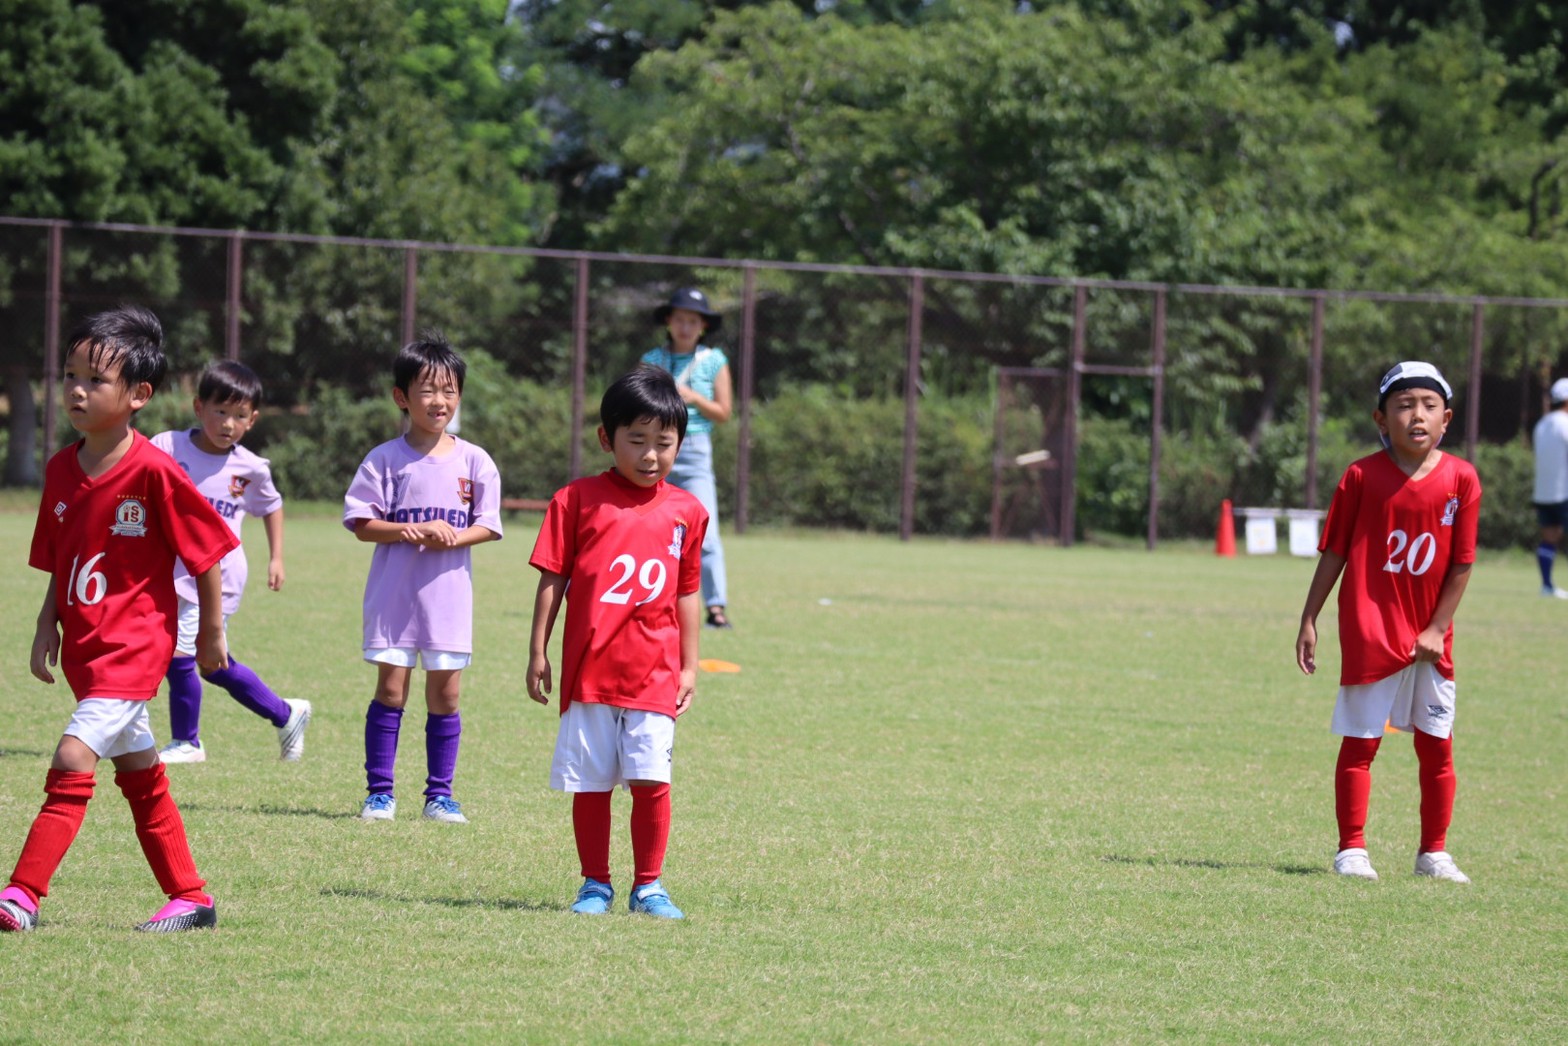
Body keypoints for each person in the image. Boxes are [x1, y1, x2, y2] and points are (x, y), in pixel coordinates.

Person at [2, 306, 237, 933]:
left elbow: (207, 553)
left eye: (95, 380)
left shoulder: (155, 470)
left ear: (138, 395)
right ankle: (190, 897)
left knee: (73, 757)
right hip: (87, 647)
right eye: (70, 375)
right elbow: (62, 559)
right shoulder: (60, 468)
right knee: (141, 775)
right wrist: (46, 623)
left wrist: (212, 632)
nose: (77, 390)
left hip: (134, 648)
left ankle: (21, 895)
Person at [527, 366, 708, 919]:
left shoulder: (688, 511)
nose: (650, 455)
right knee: (592, 783)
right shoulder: (575, 500)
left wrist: (690, 667)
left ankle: (649, 886)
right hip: (590, 673)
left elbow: (687, 592)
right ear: (607, 439)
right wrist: (538, 650)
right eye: (637, 440)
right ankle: (595, 884)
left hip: (655, 673)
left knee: (652, 780)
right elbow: (553, 578)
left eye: (664, 442)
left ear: (680, 444)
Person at [1295, 361, 1481, 884]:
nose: (1416, 415)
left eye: (1428, 406)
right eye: (1403, 406)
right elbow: (1334, 551)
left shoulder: (1462, 479)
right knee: (1361, 743)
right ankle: (1351, 849)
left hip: (1431, 640)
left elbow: (1462, 562)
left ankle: (1434, 853)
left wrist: (1437, 628)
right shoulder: (1360, 476)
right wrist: (1309, 617)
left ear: (1446, 419)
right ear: (1381, 419)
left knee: (1437, 745)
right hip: (1372, 631)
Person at [343, 335, 502, 824]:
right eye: (428, 390)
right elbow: (361, 524)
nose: (440, 401)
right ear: (402, 397)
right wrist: (406, 530)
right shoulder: (384, 459)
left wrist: (453, 537)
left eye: (450, 391)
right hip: (394, 597)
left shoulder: (475, 461)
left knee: (446, 696)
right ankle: (380, 793)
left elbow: (488, 524)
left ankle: (440, 795)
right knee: (391, 691)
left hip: (448, 600)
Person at [151, 360, 312, 763]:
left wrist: (276, 558)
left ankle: (187, 741)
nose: (228, 423)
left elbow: (271, 506)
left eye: (239, 415)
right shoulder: (167, 447)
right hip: (167, 571)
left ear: (252, 420)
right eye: (220, 411)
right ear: (198, 407)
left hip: (218, 577)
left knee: (181, 655)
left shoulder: (250, 468)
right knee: (210, 664)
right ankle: (285, 713)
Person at [641, 287, 734, 629]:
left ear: (703, 326)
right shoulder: (652, 360)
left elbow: (723, 412)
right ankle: (647, 596)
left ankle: (716, 607)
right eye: (680, 319)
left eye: (693, 321)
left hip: (695, 449)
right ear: (669, 321)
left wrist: (694, 398)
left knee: (705, 531)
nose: (685, 327)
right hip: (654, 446)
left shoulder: (714, 360)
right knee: (647, 525)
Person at [1531, 377, 1568, 598]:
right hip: (1564, 492)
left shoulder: (1541, 424)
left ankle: (1547, 585)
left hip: (1543, 492)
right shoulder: (1565, 423)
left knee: (1549, 538)